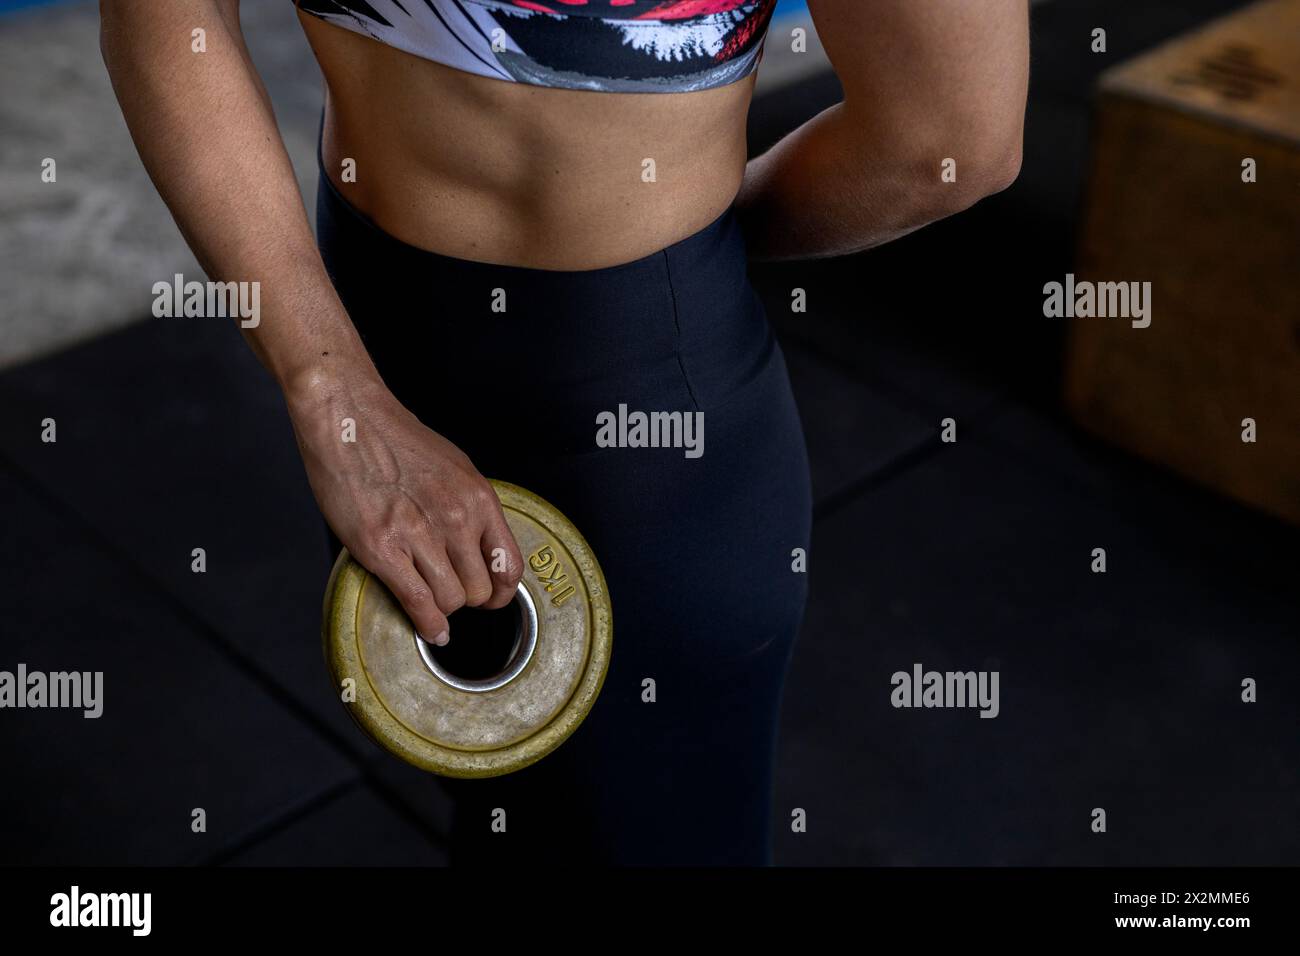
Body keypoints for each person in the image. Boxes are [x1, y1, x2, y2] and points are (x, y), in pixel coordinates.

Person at [100, 0, 1029, 865]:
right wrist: (335, 392)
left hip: (490, 376)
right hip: (383, 363)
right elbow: (948, 137)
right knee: (508, 813)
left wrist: (327, 382)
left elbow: (954, 146)